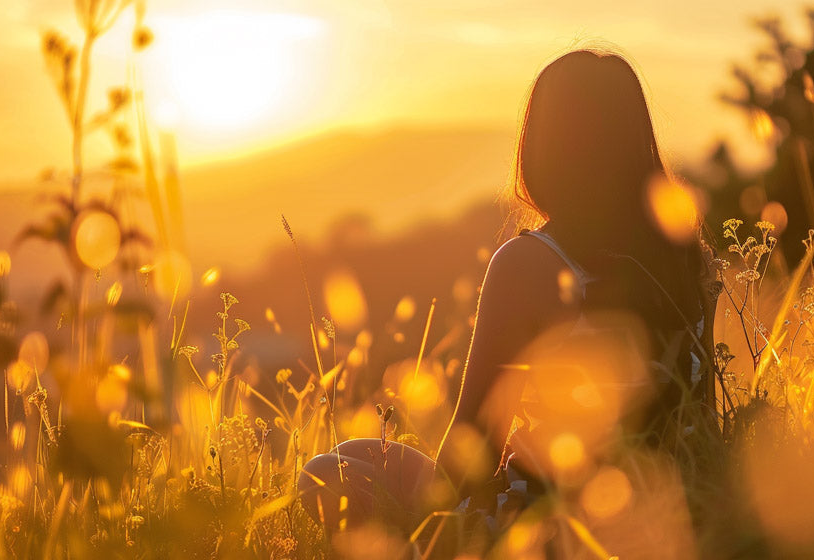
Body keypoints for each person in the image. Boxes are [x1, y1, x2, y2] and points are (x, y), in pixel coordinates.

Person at [299, 47, 716, 536]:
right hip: (665, 509)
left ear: (542, 145)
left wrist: (429, 518)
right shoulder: (687, 257)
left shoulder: (531, 263)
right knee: (357, 452)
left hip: (541, 523)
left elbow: (474, 442)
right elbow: (703, 417)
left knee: (323, 473)